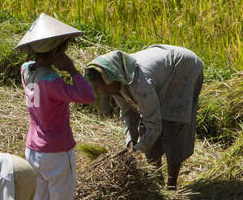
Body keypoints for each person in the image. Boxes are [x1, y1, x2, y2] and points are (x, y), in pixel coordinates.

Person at [17, 14, 95, 200]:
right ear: (57, 52)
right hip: (56, 154)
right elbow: (87, 96)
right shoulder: (54, 83)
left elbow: (36, 65)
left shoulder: (27, 71)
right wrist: (72, 70)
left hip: (33, 151)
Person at [85, 46, 205, 189]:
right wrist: (130, 142)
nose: (102, 90)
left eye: (102, 86)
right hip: (162, 70)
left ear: (112, 77)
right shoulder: (117, 82)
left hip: (183, 68)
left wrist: (136, 151)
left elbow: (154, 125)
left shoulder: (140, 83)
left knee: (173, 125)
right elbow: (129, 113)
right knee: (146, 130)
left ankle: (171, 186)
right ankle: (157, 180)